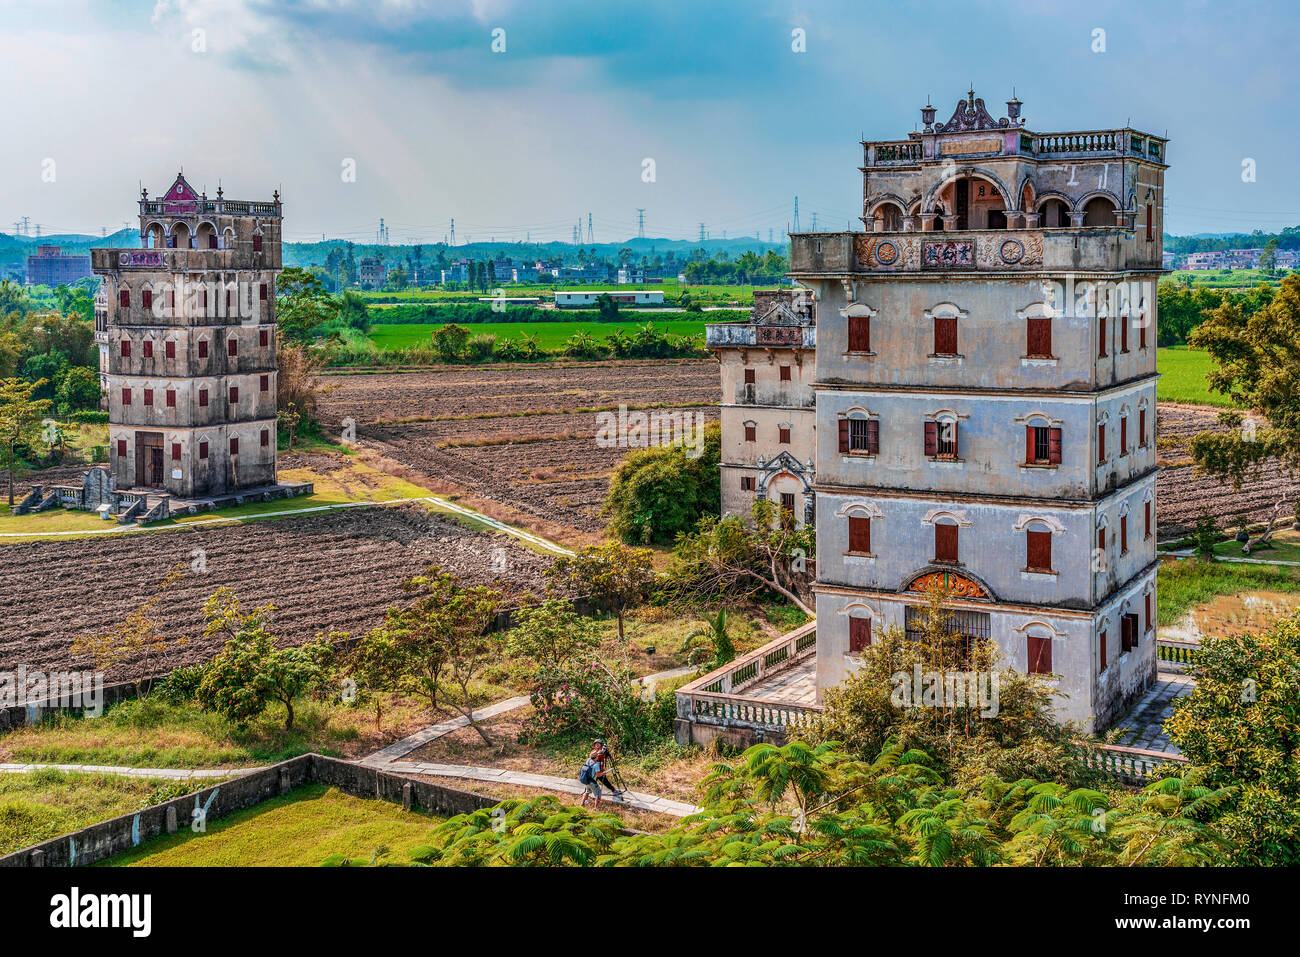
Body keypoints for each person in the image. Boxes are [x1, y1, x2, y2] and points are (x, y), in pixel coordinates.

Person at [578, 741, 605, 808]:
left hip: (587, 780)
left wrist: (597, 752)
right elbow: (598, 775)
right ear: (596, 757)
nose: (598, 757)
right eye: (597, 757)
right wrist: (604, 773)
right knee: (597, 794)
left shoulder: (588, 760)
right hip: (592, 782)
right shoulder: (596, 765)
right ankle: (595, 808)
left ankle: (582, 804)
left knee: (587, 792)